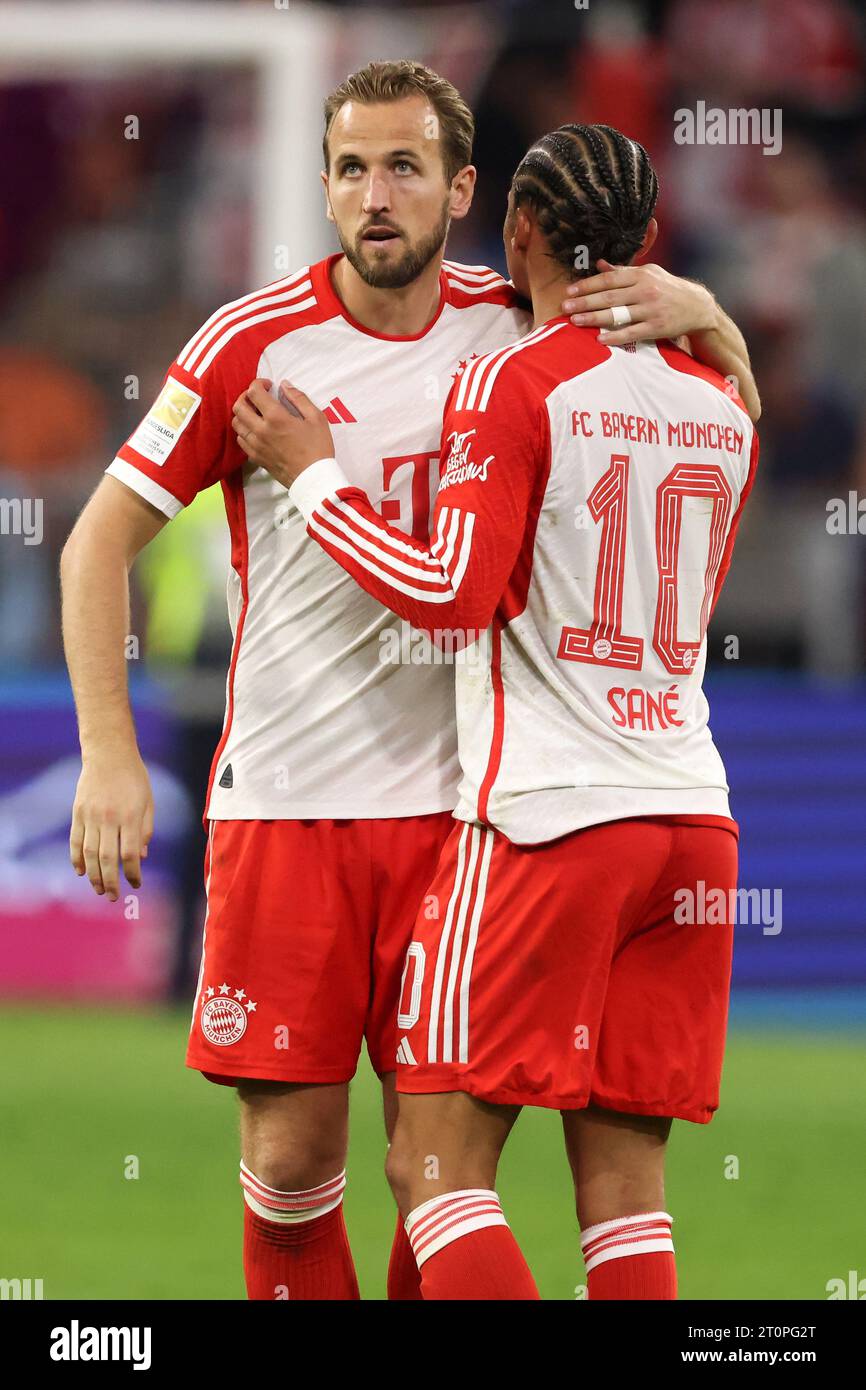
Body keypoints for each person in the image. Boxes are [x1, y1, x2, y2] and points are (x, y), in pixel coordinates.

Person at [61, 59, 758, 1303]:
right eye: (348, 169)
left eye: (402, 167)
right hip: (288, 804)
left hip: (465, 818)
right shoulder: (250, 345)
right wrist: (110, 753)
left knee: (427, 1167)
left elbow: (687, 360)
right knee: (289, 1167)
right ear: (321, 187)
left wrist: (699, 299)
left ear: (463, 190)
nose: (373, 196)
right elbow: (95, 540)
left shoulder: (521, 324)